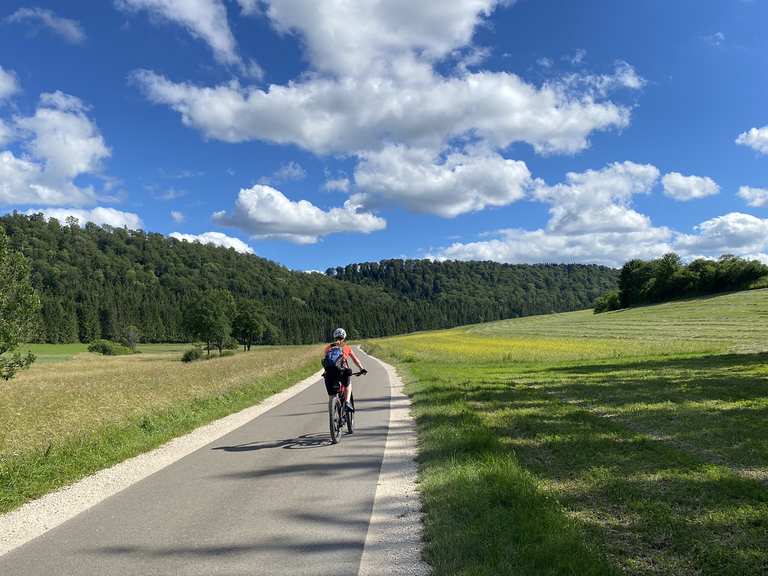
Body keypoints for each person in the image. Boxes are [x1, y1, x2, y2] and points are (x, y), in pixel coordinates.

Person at [322, 327, 366, 412]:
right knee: (348, 384)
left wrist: (325, 371)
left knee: (332, 395)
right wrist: (362, 368)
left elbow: (326, 361)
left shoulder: (328, 348)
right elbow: (355, 360)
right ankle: (347, 402)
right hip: (342, 371)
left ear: (334, 337)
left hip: (329, 372)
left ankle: (332, 414)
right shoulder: (346, 347)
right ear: (344, 337)